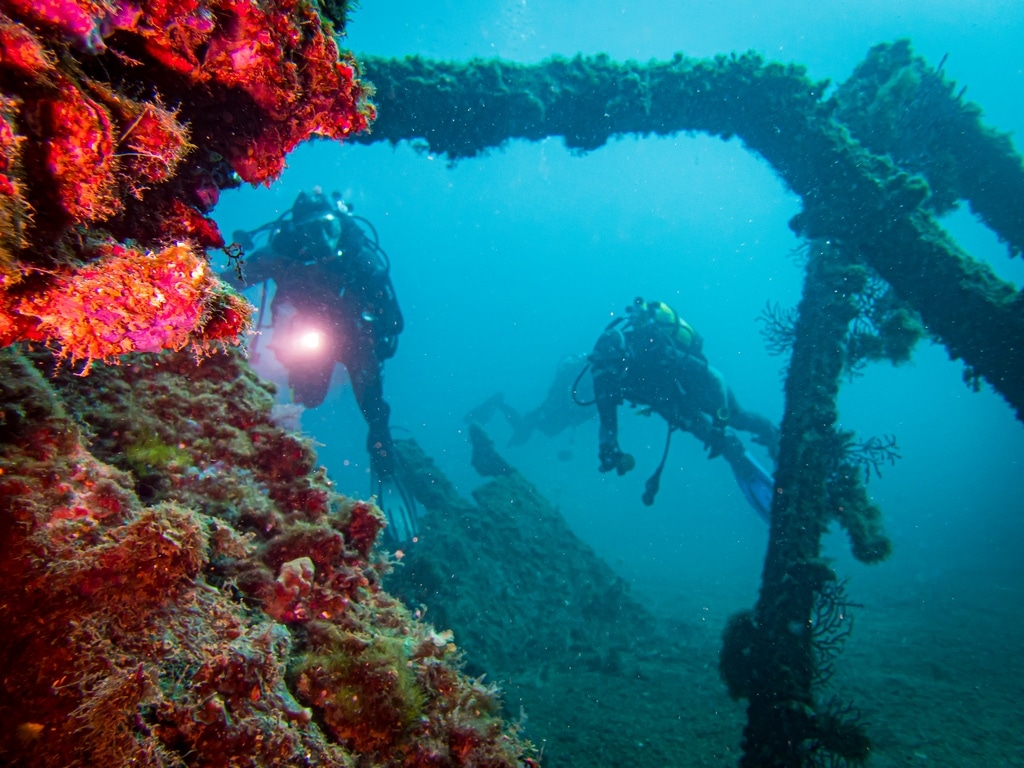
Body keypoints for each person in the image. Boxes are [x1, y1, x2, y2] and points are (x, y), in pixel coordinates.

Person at [223, 188, 417, 542]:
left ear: (340, 224)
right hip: (313, 340)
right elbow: (232, 274)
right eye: (311, 230)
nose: (322, 239)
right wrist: (234, 254)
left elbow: (394, 320)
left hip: (355, 338)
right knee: (308, 398)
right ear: (297, 230)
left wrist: (373, 330)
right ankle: (281, 458)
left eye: (328, 227)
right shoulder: (281, 254)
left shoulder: (360, 257)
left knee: (374, 412)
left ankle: (386, 464)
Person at [589, 297, 781, 518]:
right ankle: (744, 466)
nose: (612, 375)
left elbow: (716, 377)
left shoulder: (652, 348)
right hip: (670, 404)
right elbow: (607, 422)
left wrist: (720, 423)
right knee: (716, 441)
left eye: (616, 367)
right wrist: (608, 447)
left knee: (736, 418)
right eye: (608, 370)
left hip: (698, 386)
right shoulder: (603, 375)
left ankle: (772, 434)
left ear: (625, 357)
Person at [464, 353, 595, 449]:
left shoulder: (583, 377)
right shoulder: (585, 378)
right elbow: (574, 401)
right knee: (526, 431)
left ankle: (500, 403)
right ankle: (499, 403)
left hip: (553, 411)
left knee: (529, 430)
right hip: (553, 411)